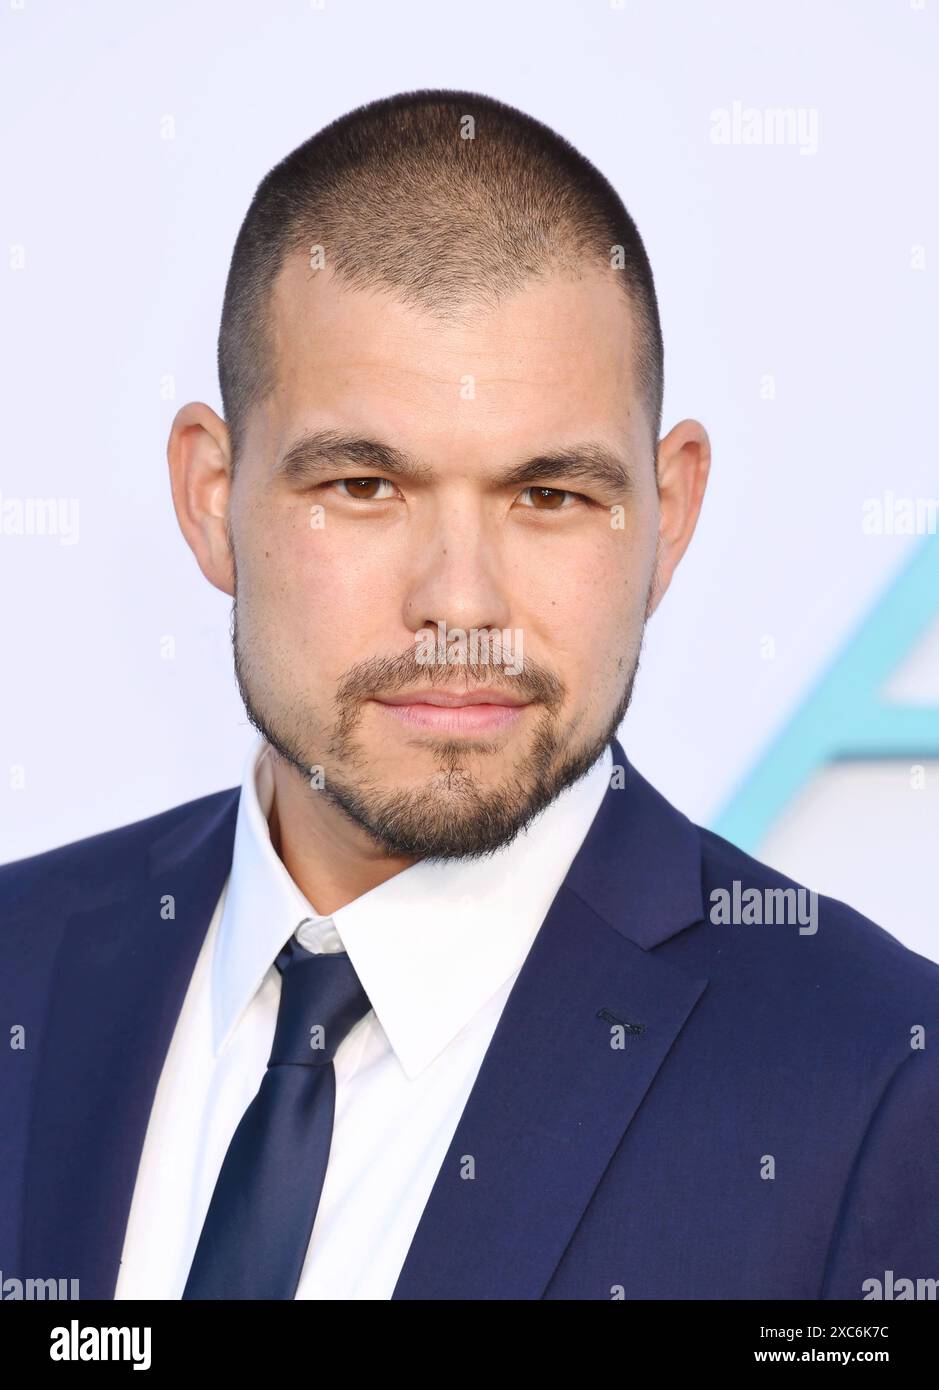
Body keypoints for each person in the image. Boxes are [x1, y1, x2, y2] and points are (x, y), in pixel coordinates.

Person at [2, 88, 937, 1302]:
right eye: (363, 485)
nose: (460, 603)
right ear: (209, 496)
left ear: (670, 519)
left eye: (548, 496)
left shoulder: (882, 1092)